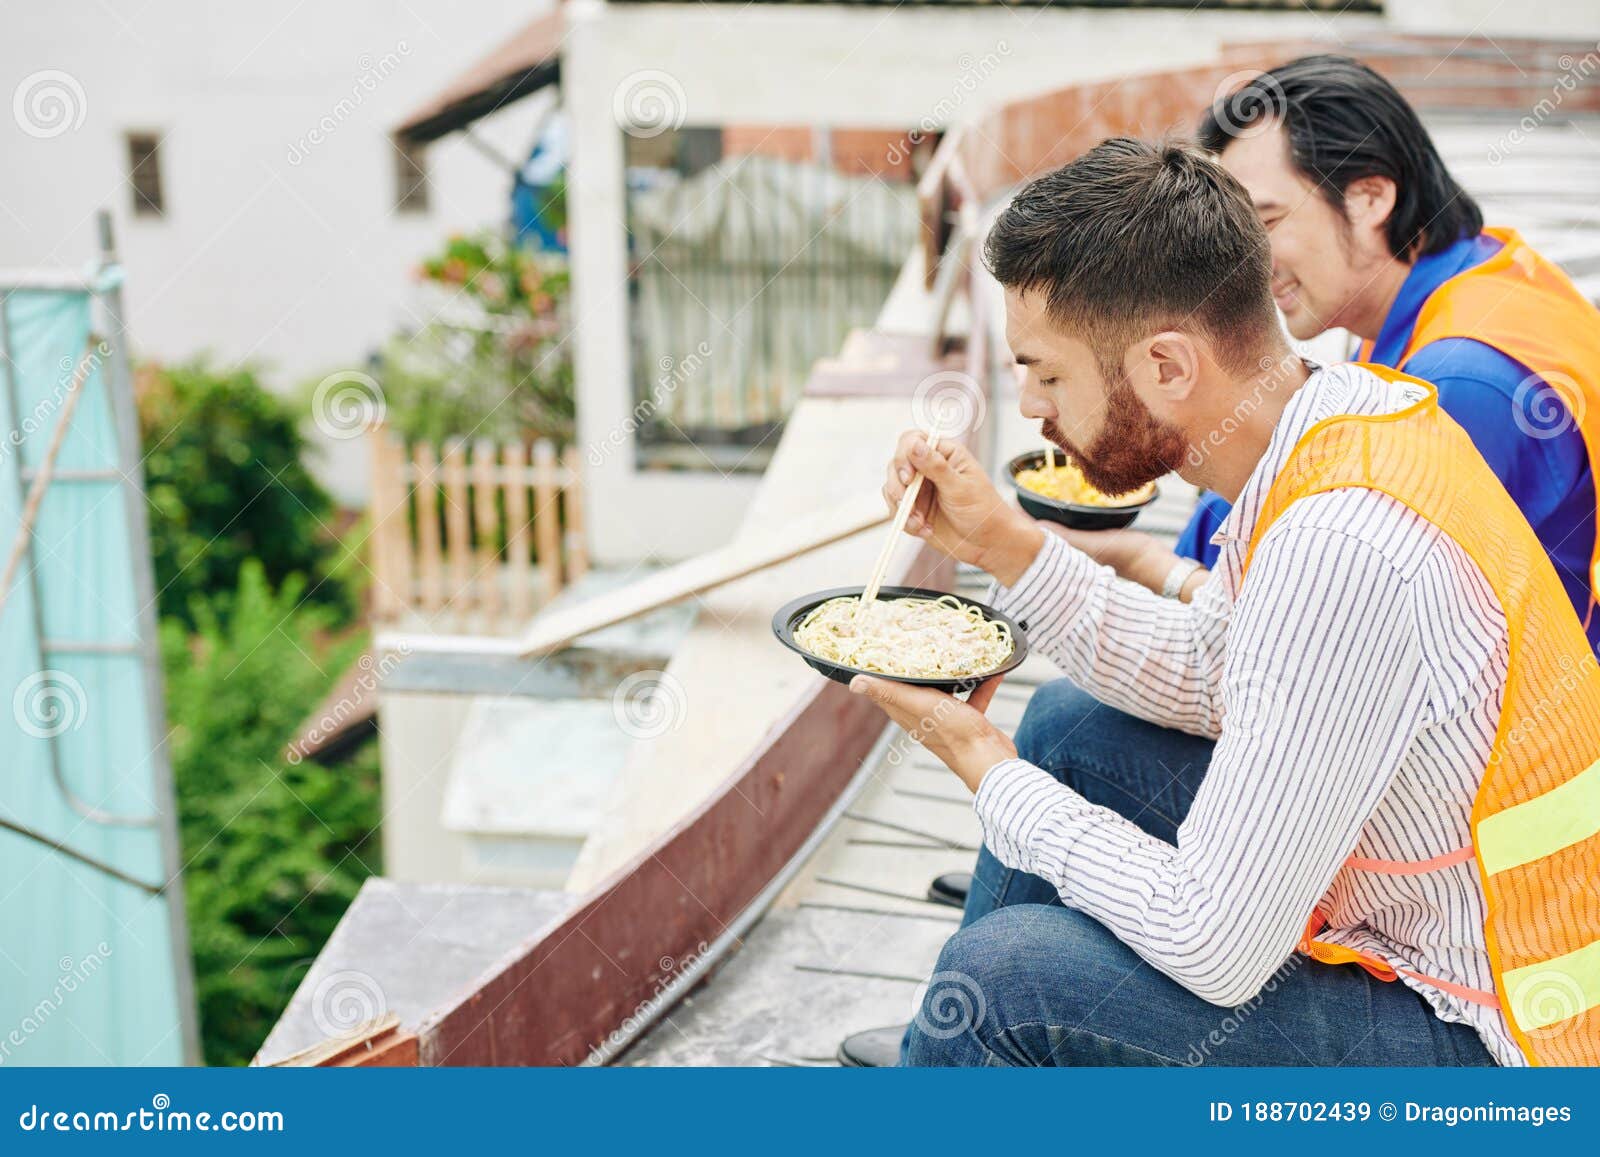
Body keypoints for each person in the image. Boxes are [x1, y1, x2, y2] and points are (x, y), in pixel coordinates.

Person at [842, 138, 1600, 1068]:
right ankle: (955, 1049)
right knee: (1073, 727)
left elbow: (1217, 942)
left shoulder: (1341, 547)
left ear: (1168, 366)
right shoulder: (1335, 415)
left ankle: (973, 1042)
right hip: (1430, 932)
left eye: (1047, 372)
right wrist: (999, 540)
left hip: (1500, 1038)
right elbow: (1215, 669)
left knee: (1010, 977)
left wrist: (983, 766)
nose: (1032, 406)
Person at [1079, 55, 1600, 649]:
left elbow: (1344, 635)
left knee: (1060, 716)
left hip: (1529, 724)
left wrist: (1151, 565)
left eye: (1266, 222)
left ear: (1370, 198)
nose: (1243, 263)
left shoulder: (1464, 380)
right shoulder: (1470, 273)